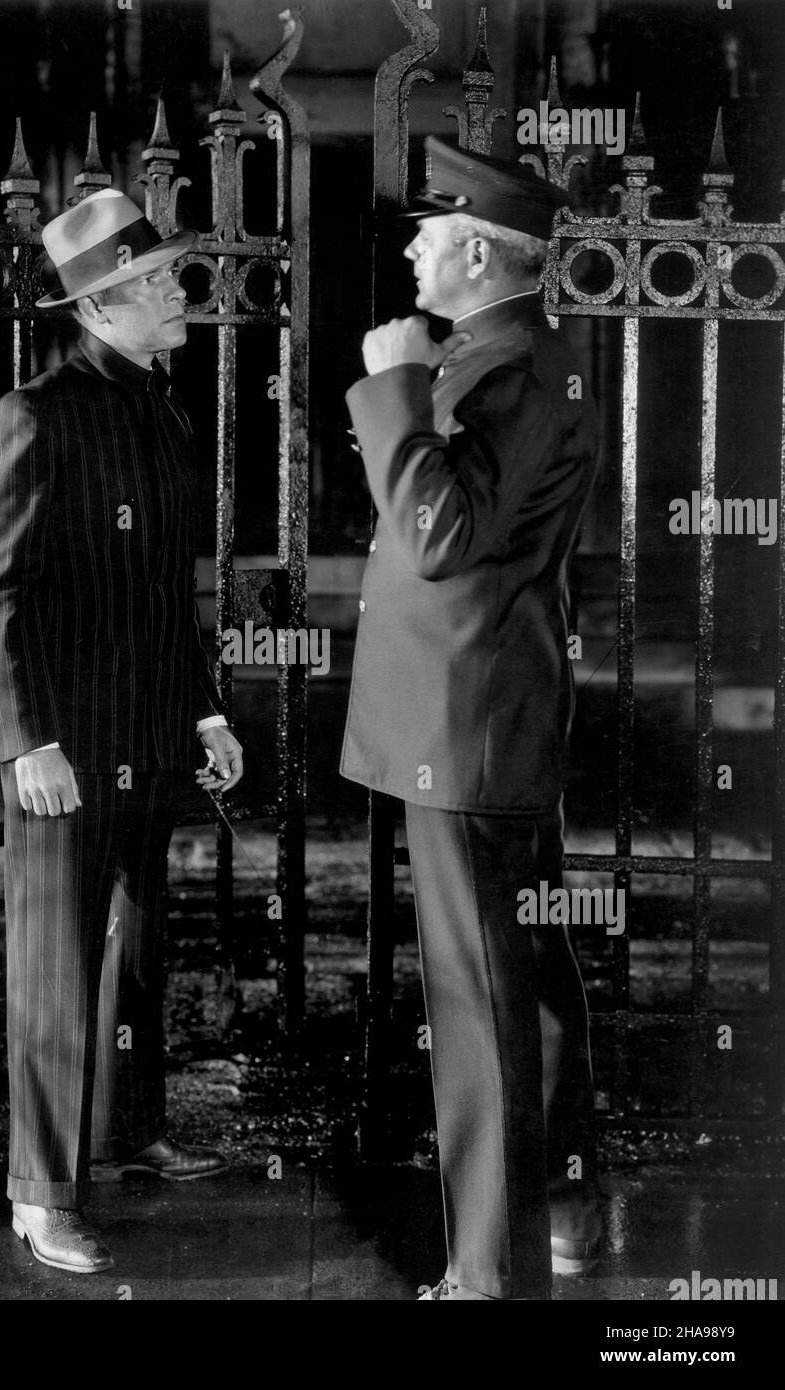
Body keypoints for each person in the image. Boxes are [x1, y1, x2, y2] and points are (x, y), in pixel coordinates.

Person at [342, 138, 602, 1301]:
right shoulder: (513, 355)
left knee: (477, 993)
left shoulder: (512, 370)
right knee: (525, 976)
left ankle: (488, 1270)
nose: (408, 244)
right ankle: (569, 1212)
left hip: (463, 725)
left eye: (428, 232)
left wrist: (391, 385)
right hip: (472, 714)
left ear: (481, 253)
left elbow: (439, 537)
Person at [0, 187, 243, 1274]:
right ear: (105, 302)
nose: (183, 294)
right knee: (53, 968)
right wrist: (23, 741)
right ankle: (40, 1194)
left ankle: (128, 1133)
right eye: (165, 281)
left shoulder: (159, 408)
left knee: (133, 949)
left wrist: (204, 707)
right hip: (61, 753)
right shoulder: (29, 416)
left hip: (145, 735)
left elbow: (164, 593)